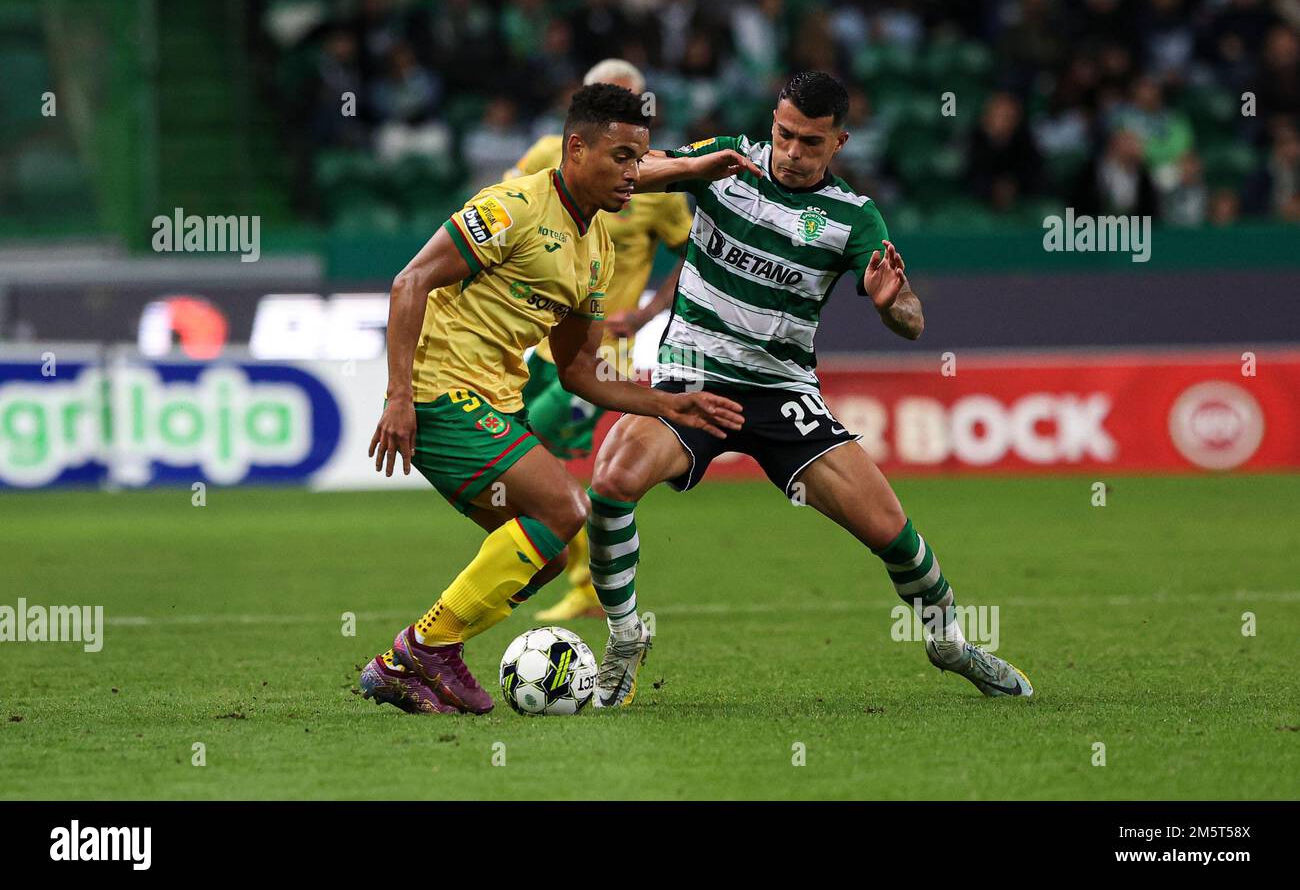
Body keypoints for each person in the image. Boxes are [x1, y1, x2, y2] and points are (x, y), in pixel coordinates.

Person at [583, 71, 1035, 707]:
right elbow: (625, 178)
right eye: (785, 135)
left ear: (839, 142)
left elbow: (912, 320)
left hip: (781, 393)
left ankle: (950, 642)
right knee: (611, 479)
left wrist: (890, 303)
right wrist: (699, 167)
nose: (793, 154)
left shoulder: (853, 216)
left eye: (811, 144)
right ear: (773, 120)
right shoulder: (725, 162)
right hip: (695, 374)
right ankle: (626, 638)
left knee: (892, 531)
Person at [359, 83, 749, 715]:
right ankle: (421, 650)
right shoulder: (511, 206)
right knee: (565, 511)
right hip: (441, 393)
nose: (634, 174)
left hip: (497, 401)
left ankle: (419, 659)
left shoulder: (597, 249)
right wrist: (398, 396)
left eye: (641, 160)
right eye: (622, 157)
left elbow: (577, 372)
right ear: (576, 148)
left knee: (540, 552)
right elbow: (411, 282)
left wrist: (669, 404)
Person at [506, 59, 695, 622]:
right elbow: (507, 209)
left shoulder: (656, 183)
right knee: (531, 464)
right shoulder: (547, 153)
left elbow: (693, 255)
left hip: (602, 348)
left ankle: (585, 582)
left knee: (533, 448)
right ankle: (572, 572)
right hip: (542, 340)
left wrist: (642, 316)